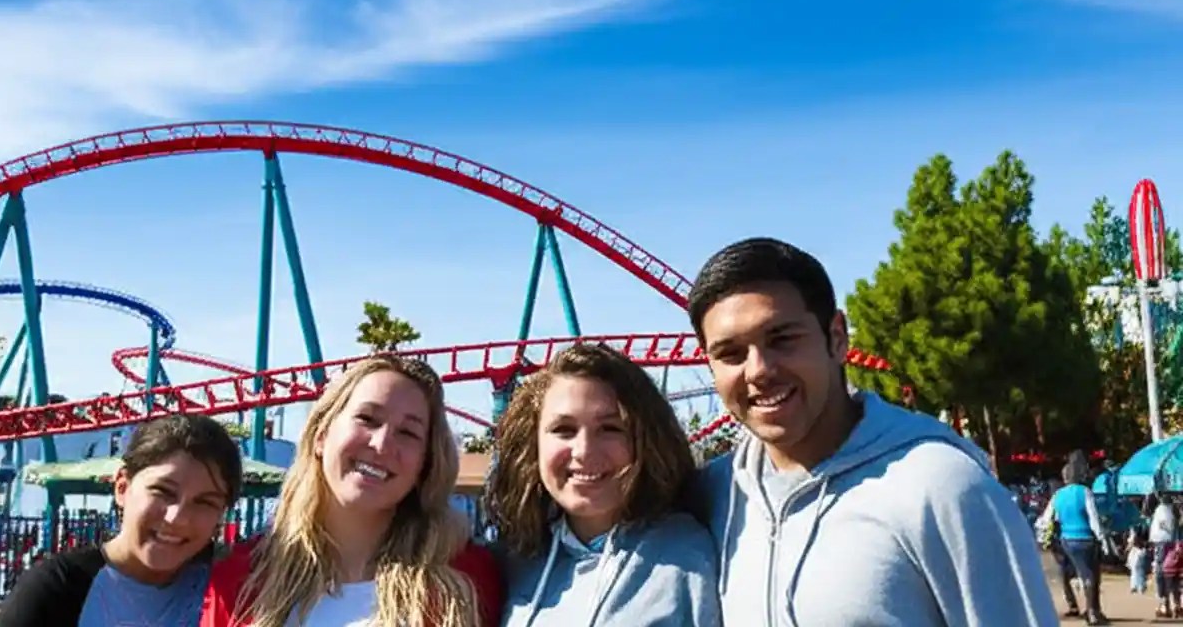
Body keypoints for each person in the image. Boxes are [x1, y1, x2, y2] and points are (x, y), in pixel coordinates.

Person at [687, 236, 1058, 627]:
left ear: (836, 337)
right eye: (730, 354)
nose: (759, 370)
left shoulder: (941, 485)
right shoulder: (712, 496)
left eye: (782, 339)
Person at [199, 355, 502, 627]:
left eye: (408, 433)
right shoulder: (240, 577)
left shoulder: (467, 580)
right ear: (321, 435)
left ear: (425, 464)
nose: (382, 444)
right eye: (367, 419)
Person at [485, 342, 721, 626]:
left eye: (610, 428)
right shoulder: (514, 560)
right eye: (564, 430)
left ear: (644, 440)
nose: (584, 451)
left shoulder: (690, 556)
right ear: (533, 444)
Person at [0, 414, 244, 626]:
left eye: (204, 502)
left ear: (223, 511)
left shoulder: (239, 590)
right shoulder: (58, 589)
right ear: (122, 487)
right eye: (163, 491)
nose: (177, 517)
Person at [1037, 459, 1108, 624]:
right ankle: (1092, 612)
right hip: (1086, 539)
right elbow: (1093, 518)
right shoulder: (1084, 492)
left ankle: (1083, 607)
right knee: (1090, 575)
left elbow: (1046, 518)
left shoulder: (1058, 495)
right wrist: (1102, 538)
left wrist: (1043, 538)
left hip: (1066, 541)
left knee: (1071, 573)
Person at [1147, 492, 1177, 617]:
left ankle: (1164, 603)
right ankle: (1176, 603)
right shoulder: (1172, 511)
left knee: (1161, 572)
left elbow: (1165, 527)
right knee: (1174, 571)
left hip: (1162, 542)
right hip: (1172, 543)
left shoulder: (1162, 511)